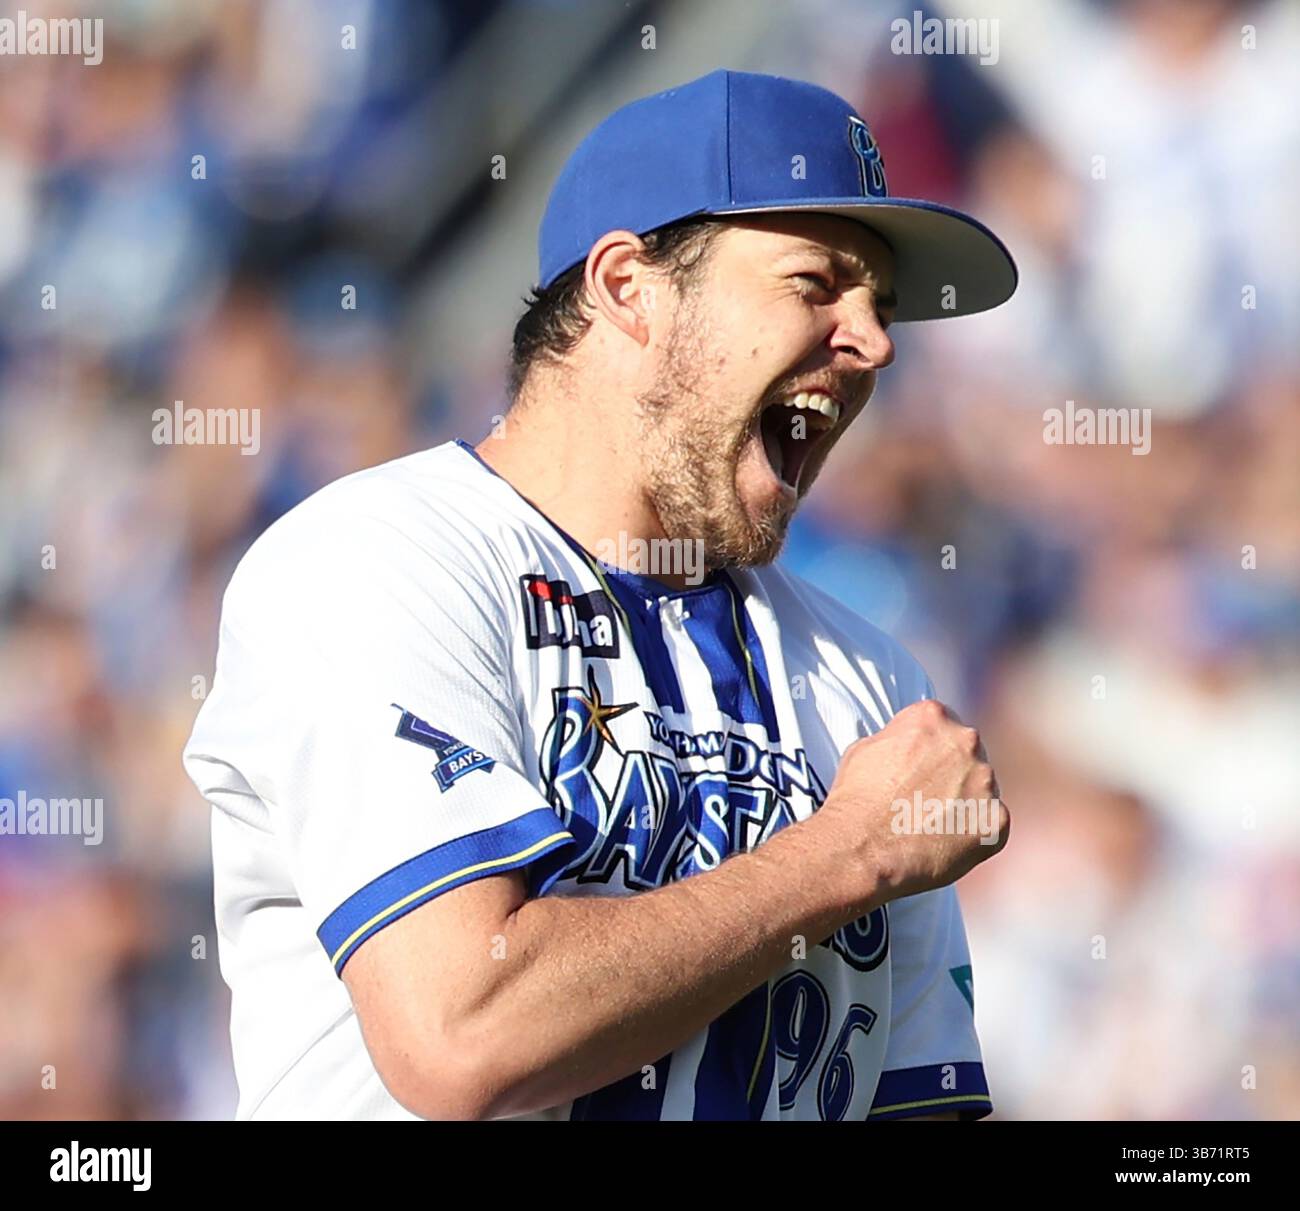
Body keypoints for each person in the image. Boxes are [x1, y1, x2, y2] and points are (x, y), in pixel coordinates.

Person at [183, 69, 1016, 1121]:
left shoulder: (871, 679)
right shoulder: (376, 561)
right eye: (816, 282)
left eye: (880, 307)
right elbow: (463, 1033)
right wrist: (848, 848)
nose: (874, 341)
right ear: (627, 287)